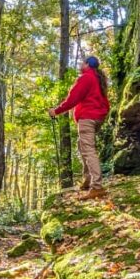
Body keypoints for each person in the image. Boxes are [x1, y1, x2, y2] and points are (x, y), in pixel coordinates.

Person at [49, 55, 111, 198]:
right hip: (97, 117)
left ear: (87, 64)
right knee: (81, 145)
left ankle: (97, 187)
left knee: (88, 150)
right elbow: (104, 102)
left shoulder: (86, 78)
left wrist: (56, 111)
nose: (80, 65)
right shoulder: (98, 79)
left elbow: (73, 99)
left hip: (87, 118)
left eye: (82, 63)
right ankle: (88, 179)